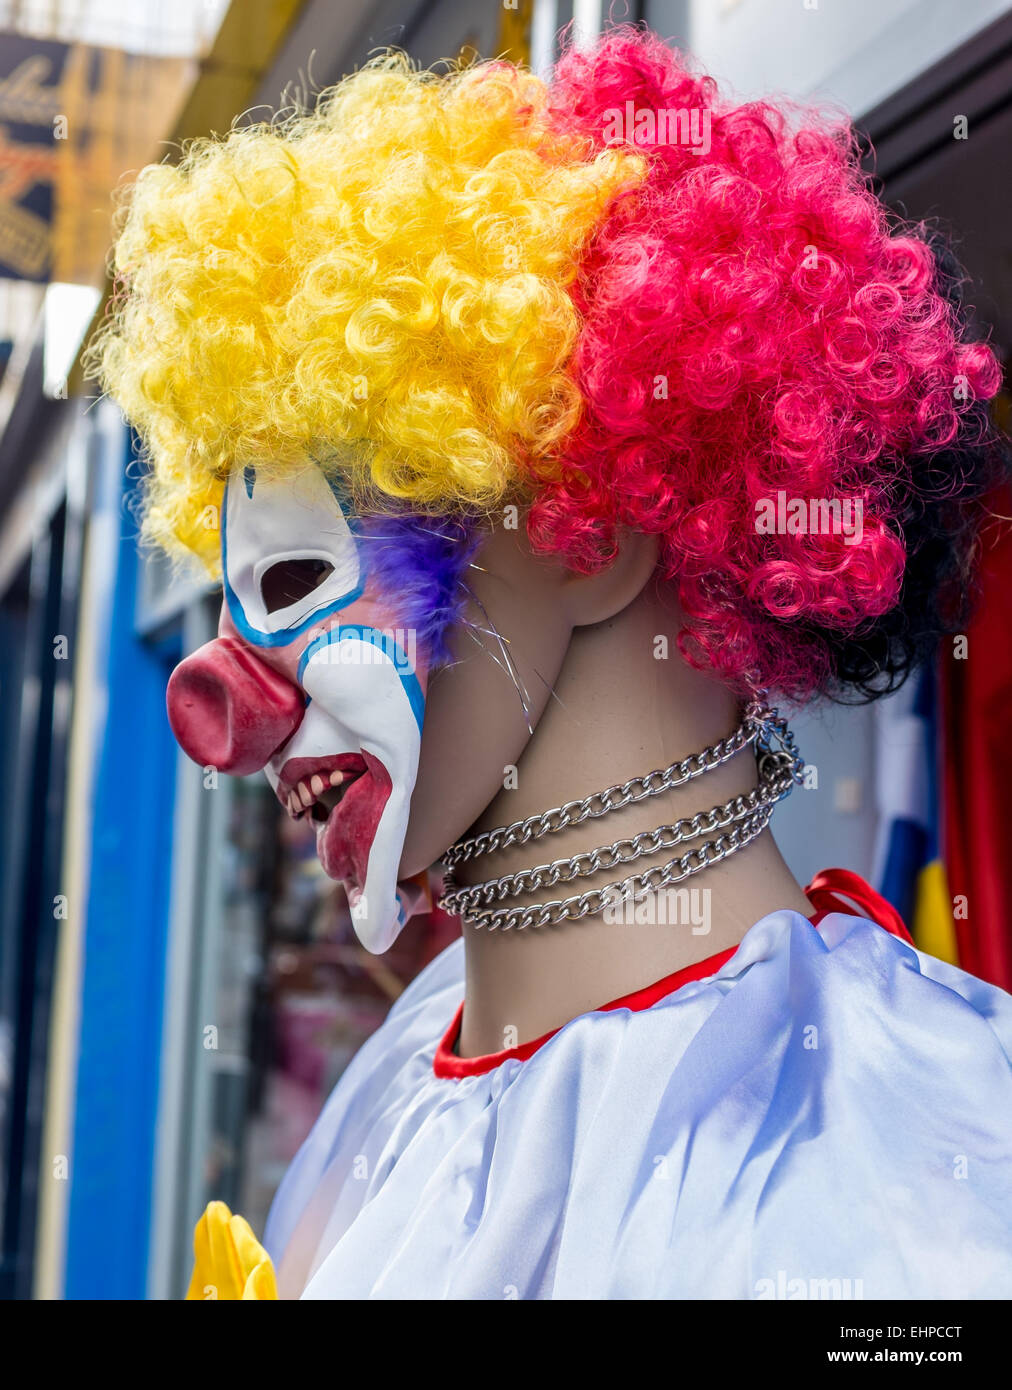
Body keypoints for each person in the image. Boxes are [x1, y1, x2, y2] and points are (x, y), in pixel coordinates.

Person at [95, 28, 1012, 1298]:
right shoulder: (401, 1070)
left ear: (589, 544)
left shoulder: (919, 1185)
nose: (229, 713)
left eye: (298, 583)